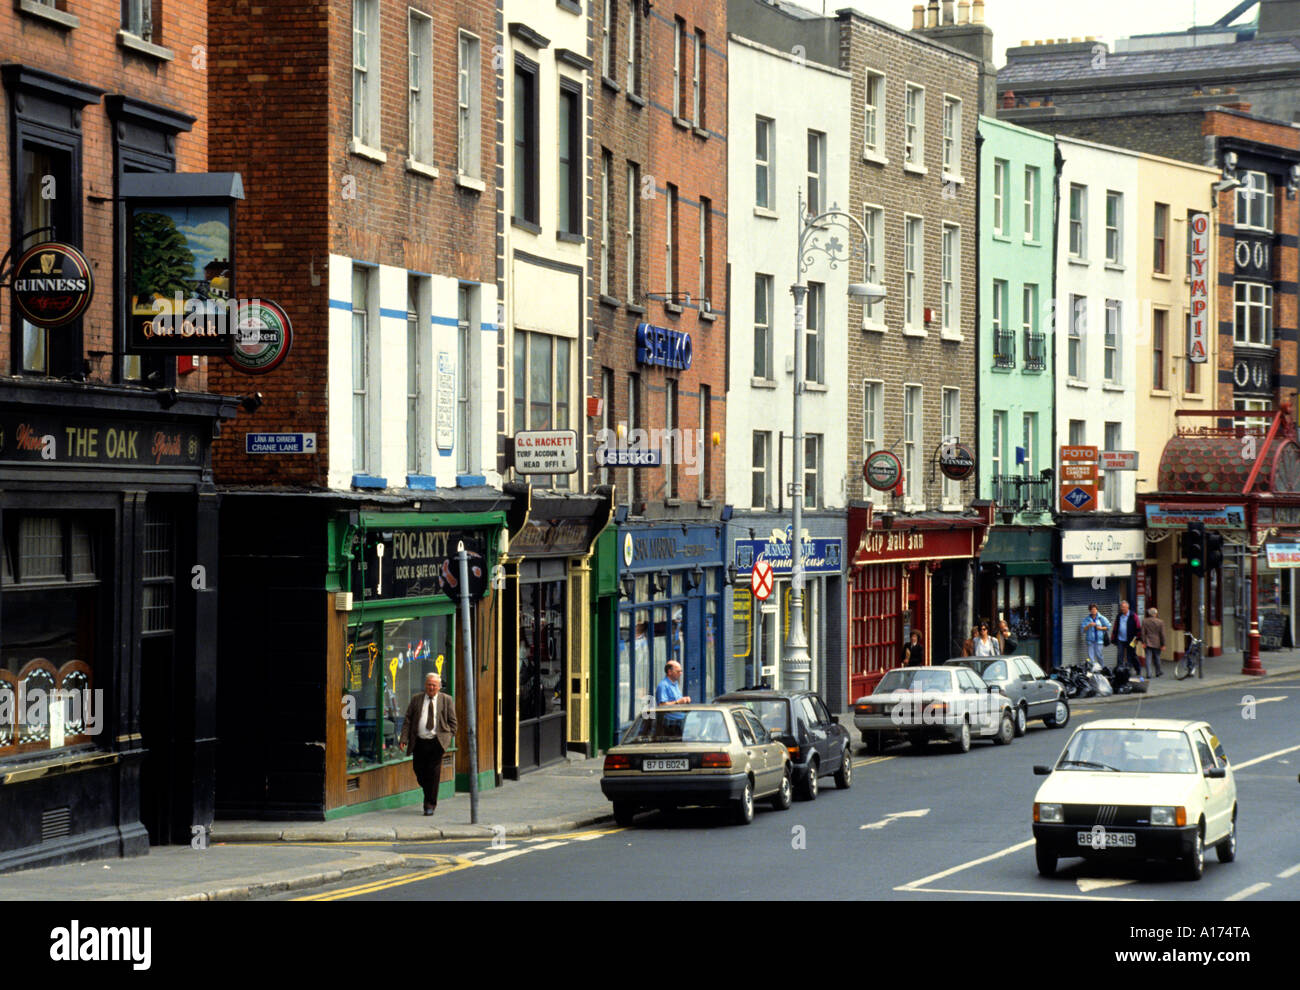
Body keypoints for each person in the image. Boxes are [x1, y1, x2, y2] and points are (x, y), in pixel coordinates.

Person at [399, 673, 457, 816]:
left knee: (433, 772)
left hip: (437, 742)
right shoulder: (416, 699)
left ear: (439, 687)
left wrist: (447, 738)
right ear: (425, 685)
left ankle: (429, 804)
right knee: (419, 770)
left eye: (434, 685)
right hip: (419, 742)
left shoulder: (446, 700)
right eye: (429, 684)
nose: (431, 687)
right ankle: (429, 791)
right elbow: (408, 720)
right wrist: (404, 739)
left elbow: (453, 723)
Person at [1112, 599, 1142, 675]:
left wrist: (1137, 638)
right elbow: (1115, 627)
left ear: (1127, 607)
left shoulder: (1133, 615)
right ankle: (1119, 671)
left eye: (1124, 607)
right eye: (1121, 607)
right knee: (1120, 655)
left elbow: (1138, 627)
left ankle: (1137, 669)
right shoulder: (1119, 616)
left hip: (1132, 639)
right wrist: (1113, 638)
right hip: (1120, 639)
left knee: (1132, 655)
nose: (1122, 609)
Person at [1142, 606, 1167, 677]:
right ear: (1155, 614)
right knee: (1157, 657)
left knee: (1148, 658)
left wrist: (1143, 642)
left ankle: (1149, 673)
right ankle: (1158, 672)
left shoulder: (1145, 621)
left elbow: (1143, 633)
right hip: (1157, 642)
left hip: (1147, 641)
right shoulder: (1160, 622)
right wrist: (1163, 644)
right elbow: (1162, 634)